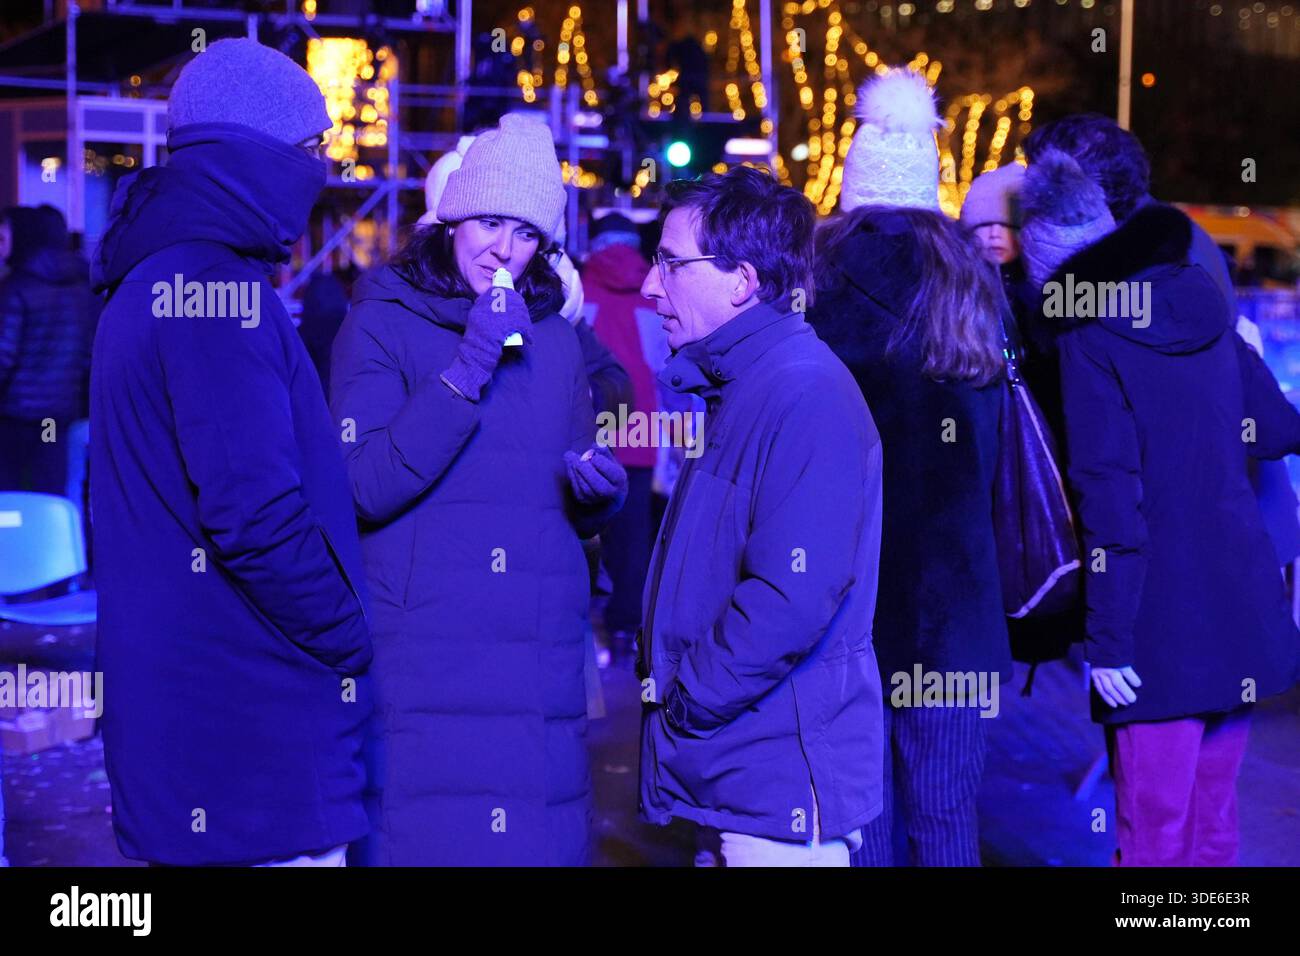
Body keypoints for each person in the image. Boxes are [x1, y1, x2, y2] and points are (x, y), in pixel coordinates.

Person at [89, 38, 371, 867]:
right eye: (310, 149)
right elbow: (254, 513)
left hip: (198, 719)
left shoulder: (152, 273)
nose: (322, 169)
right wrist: (349, 635)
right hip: (249, 730)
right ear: (253, 152)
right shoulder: (215, 291)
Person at [330, 113, 627, 866]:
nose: (504, 248)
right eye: (490, 222)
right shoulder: (380, 322)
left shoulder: (557, 340)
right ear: (453, 218)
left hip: (533, 653)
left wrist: (597, 497)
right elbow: (361, 485)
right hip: (424, 652)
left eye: (526, 233)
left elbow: (560, 486)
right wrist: (467, 368)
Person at [1018, 149, 1300, 866]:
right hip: (1239, 611)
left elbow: (1110, 497)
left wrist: (1109, 640)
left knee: (1152, 837)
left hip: (1156, 631)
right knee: (1214, 826)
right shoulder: (1201, 299)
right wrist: (1243, 358)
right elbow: (1275, 431)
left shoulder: (1088, 338)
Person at [636, 165, 884, 867]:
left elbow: (791, 597)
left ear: (741, 281)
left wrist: (688, 699)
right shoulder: (745, 385)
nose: (653, 286)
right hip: (741, 772)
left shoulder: (803, 394)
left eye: (672, 263)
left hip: (774, 784)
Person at [813, 67, 1010, 867]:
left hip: (843, 599)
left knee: (863, 820)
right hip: (956, 605)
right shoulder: (973, 285)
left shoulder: (815, 279)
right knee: (947, 815)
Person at [582, 213, 661, 658]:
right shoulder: (651, 296)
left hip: (588, 434)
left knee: (583, 533)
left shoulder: (578, 295)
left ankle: (583, 621)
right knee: (634, 539)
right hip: (641, 433)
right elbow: (665, 372)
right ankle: (625, 627)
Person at [0, 204, 97, 493]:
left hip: (15, 417)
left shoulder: (17, 287)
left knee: (11, 494)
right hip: (56, 417)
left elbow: (3, 356)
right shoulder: (83, 286)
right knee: (51, 486)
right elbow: (88, 355)